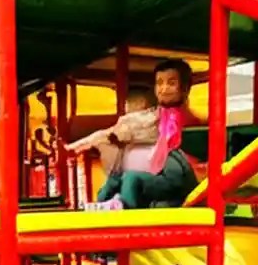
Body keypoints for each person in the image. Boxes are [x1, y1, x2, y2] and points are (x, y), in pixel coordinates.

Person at [66, 59, 200, 209]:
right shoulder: (153, 117)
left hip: (174, 177)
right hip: (154, 176)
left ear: (185, 89)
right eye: (160, 83)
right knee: (110, 185)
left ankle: (121, 206)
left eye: (171, 83)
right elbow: (127, 129)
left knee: (132, 179)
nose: (164, 89)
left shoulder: (186, 119)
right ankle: (111, 204)